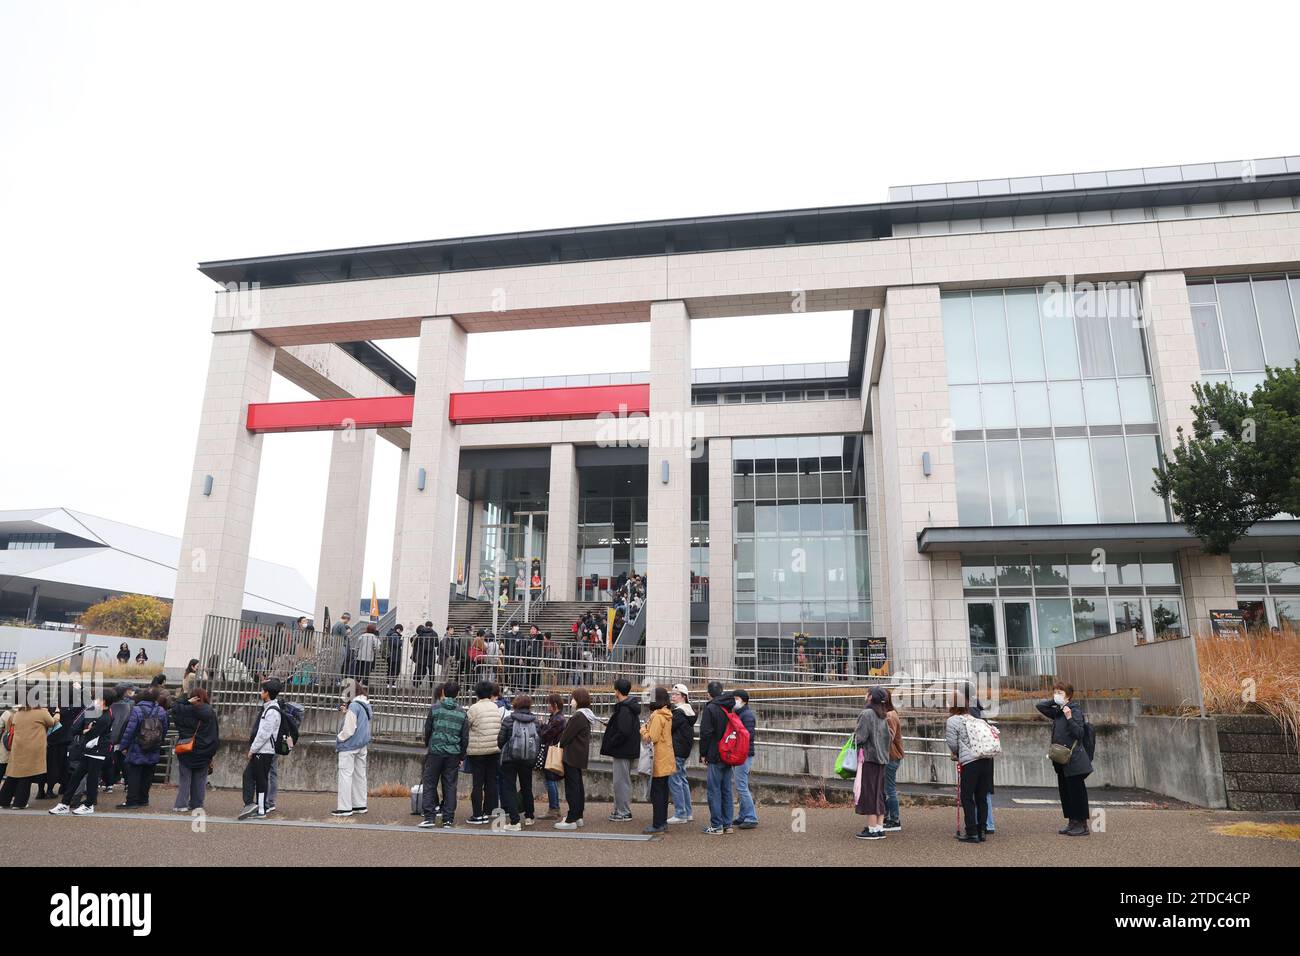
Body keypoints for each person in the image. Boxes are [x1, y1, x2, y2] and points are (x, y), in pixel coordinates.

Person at [1037, 681, 1093, 837]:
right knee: (1066, 792)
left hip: (1073, 759)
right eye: (1055, 692)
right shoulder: (1058, 711)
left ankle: (1082, 825)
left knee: (1077, 792)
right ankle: (1072, 822)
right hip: (1060, 759)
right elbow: (1040, 706)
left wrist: (1069, 717)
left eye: (1060, 692)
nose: (1056, 694)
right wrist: (1055, 701)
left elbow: (1079, 733)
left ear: (1069, 695)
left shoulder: (1074, 711)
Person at [50, 689, 114, 815]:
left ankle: (89, 804)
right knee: (76, 777)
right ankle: (65, 803)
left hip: (97, 751)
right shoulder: (102, 712)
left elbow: (91, 733)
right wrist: (86, 730)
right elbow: (83, 729)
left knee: (91, 779)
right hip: (91, 750)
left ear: (104, 701)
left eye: (97, 698)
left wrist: (86, 730)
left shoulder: (105, 717)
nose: (95, 701)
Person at [946, 691, 993, 844]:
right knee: (981, 797)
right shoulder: (976, 719)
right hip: (985, 760)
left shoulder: (953, 720)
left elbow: (952, 743)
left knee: (966, 796)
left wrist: (957, 753)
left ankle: (971, 832)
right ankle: (982, 830)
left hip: (970, 762)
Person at [419, 680, 468, 828]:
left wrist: (429, 744)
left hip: (435, 751)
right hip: (453, 753)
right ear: (458, 694)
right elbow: (464, 737)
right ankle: (448, 818)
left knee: (430, 783)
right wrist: (462, 755)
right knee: (450, 785)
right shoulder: (462, 713)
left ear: (443, 692)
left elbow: (428, 730)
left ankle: (429, 817)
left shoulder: (435, 709)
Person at [117, 688, 169, 809]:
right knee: (148, 774)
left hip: (137, 746)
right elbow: (164, 728)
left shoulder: (137, 710)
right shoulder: (161, 710)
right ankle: (143, 799)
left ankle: (132, 800)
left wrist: (123, 746)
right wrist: (158, 741)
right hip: (154, 746)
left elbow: (130, 730)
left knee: (134, 774)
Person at [238, 679, 283, 820]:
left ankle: (261, 808)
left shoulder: (272, 711)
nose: (261, 692)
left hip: (264, 751)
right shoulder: (270, 708)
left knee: (260, 779)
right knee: (251, 776)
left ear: (267, 693)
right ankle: (253, 805)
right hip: (263, 750)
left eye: (263, 690)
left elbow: (264, 734)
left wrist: (253, 749)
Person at [0, 702, 59, 809]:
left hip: (18, 746)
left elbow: (9, 727)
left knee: (13, 775)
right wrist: (57, 713)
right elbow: (52, 722)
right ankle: (19, 803)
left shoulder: (17, 713)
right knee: (27, 775)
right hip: (33, 747)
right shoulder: (41, 712)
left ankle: (3, 801)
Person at [169, 687, 218, 812]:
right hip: (204, 751)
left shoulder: (185, 711)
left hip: (187, 749)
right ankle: (197, 803)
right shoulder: (210, 712)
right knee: (200, 779)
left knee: (185, 778)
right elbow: (215, 734)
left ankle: (181, 804)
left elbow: (174, 707)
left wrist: (186, 700)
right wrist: (211, 752)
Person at [697, 680, 736, 835]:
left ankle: (716, 825)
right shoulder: (730, 706)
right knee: (726, 789)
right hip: (729, 753)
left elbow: (705, 733)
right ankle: (728, 824)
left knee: (714, 790)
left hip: (715, 754)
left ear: (709, 694)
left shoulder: (711, 708)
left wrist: (703, 753)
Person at [601, 676, 642, 822]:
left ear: (617, 691)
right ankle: (620, 810)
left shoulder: (624, 708)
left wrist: (612, 741)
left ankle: (623, 811)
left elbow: (623, 731)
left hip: (623, 750)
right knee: (622, 781)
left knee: (621, 782)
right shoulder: (630, 706)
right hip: (629, 749)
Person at [496, 694, 539, 831]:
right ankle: (530, 816)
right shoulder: (535, 721)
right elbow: (539, 739)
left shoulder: (509, 720)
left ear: (515, 705)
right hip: (528, 758)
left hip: (510, 759)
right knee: (527, 787)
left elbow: (500, 741)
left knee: (510, 788)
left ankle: (514, 821)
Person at [854, 687, 891, 840]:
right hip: (882, 758)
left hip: (869, 758)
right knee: (879, 793)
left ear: (870, 697)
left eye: (867, 693)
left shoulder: (866, 714)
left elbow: (860, 737)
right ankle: (879, 828)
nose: (865, 695)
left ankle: (871, 829)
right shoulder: (883, 715)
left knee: (869, 792)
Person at [554, 687, 594, 830]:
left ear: (579, 700)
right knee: (578, 786)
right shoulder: (587, 715)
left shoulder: (578, 716)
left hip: (571, 755)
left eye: (573, 699)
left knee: (572, 787)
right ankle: (578, 816)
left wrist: (559, 744)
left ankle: (571, 818)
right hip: (579, 755)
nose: (571, 702)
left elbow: (565, 737)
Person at [465, 679, 503, 825]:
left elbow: (466, 726)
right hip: (494, 749)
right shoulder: (496, 707)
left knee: (477, 783)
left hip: (478, 750)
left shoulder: (474, 708)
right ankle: (489, 810)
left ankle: (477, 814)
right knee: (491, 782)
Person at [333, 681, 373, 818]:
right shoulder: (364, 704)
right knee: (360, 775)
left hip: (349, 746)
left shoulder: (354, 706)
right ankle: (360, 804)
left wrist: (340, 738)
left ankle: (344, 808)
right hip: (362, 744)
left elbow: (349, 730)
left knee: (345, 775)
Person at [640, 686, 675, 834]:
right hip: (666, 757)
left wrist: (643, 729)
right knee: (663, 791)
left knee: (657, 794)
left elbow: (651, 738)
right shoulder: (667, 714)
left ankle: (658, 824)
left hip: (658, 759)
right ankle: (662, 822)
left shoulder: (657, 716)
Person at [667, 683, 695, 824]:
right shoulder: (688, 711)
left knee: (675, 780)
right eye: (672, 694)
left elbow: (668, 729)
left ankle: (680, 813)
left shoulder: (679, 712)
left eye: (676, 694)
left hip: (677, 750)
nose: (673, 696)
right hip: (684, 750)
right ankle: (687, 812)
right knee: (682, 779)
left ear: (684, 697)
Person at [537, 692, 566, 819]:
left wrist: (541, 726)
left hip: (551, 752)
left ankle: (554, 808)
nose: (547, 706)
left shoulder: (558, 719)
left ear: (554, 705)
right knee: (550, 779)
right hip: (550, 751)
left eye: (549, 704)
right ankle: (554, 808)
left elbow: (545, 735)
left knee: (550, 779)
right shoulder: (556, 718)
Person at [732, 689, 758, 829]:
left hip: (743, 754)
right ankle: (743, 815)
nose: (734, 701)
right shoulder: (740, 713)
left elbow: (747, 735)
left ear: (743, 700)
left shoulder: (746, 715)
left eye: (736, 698)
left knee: (741, 786)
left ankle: (751, 817)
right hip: (741, 754)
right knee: (741, 785)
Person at [102, 682, 135, 794]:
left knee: (110, 762)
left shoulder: (109, 706)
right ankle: (127, 784)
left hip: (109, 737)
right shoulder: (128, 706)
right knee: (124, 762)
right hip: (122, 737)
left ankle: (109, 784)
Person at [883, 687, 904, 832]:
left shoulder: (889, 716)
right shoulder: (891, 713)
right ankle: (888, 816)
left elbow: (888, 737)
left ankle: (894, 819)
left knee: (889, 789)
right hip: (891, 756)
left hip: (891, 756)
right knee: (886, 788)